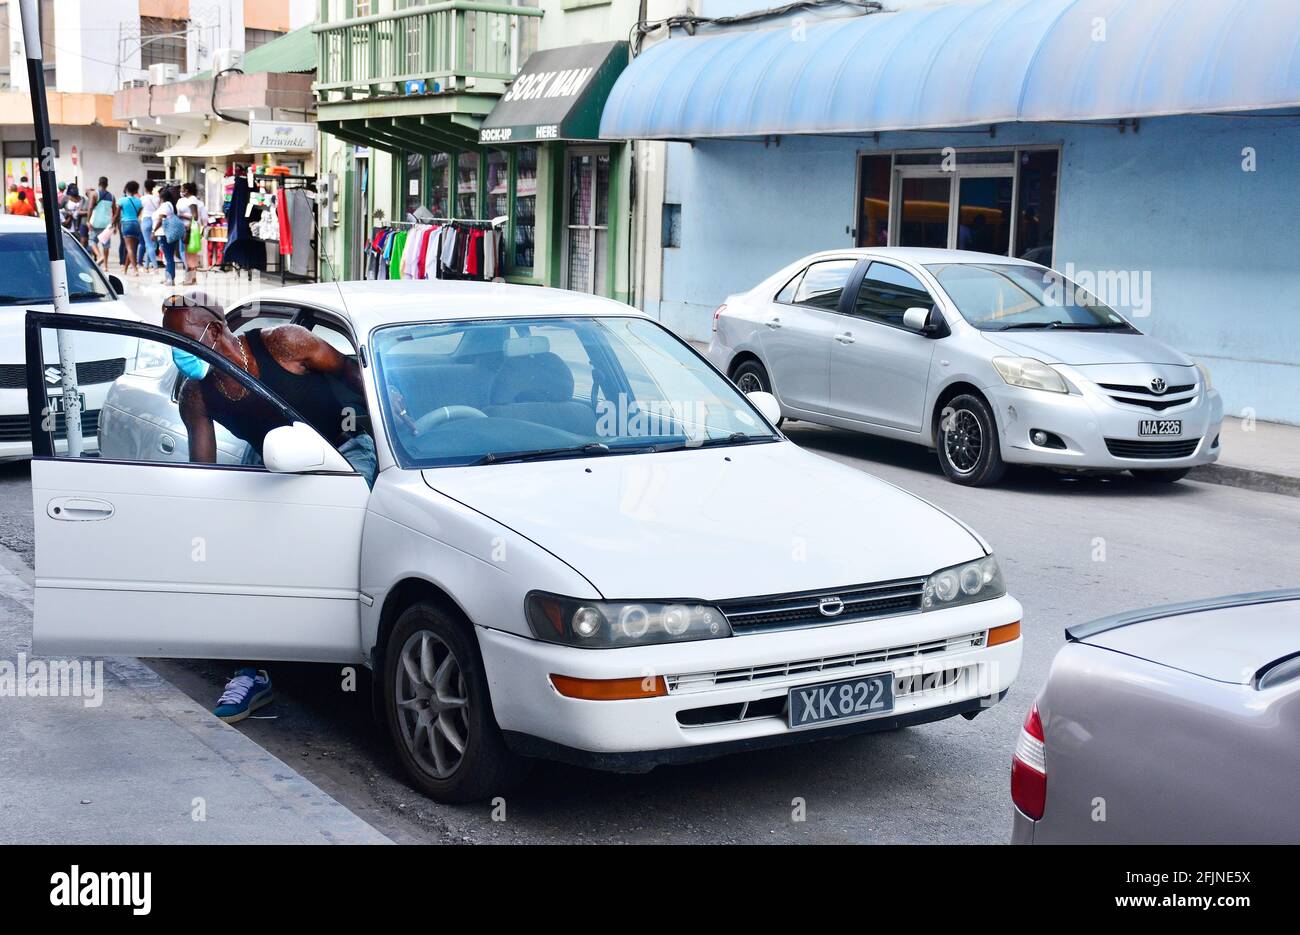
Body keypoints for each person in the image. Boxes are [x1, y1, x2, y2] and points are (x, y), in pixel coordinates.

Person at [160, 290, 377, 721]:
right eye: (171, 343)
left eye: (185, 339)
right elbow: (204, 476)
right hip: (271, 458)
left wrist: (397, 425)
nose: (179, 352)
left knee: (343, 539)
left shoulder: (283, 343)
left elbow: (354, 373)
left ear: (217, 330)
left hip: (346, 449)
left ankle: (358, 649)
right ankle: (251, 671)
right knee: (248, 557)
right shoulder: (197, 395)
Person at [152, 185, 182, 285]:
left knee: (169, 257)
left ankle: (170, 279)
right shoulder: (170, 205)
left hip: (163, 234)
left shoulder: (165, 205)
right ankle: (168, 277)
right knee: (168, 256)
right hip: (166, 234)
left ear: (162, 197)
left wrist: (153, 231)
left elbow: (161, 219)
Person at [178, 182, 207, 285]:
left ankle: (191, 279)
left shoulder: (192, 200)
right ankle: (191, 278)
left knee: (190, 255)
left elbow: (195, 216)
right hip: (192, 229)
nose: (181, 192)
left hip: (190, 229)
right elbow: (204, 219)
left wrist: (182, 216)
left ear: (186, 190)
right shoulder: (196, 201)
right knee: (190, 254)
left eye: (182, 189)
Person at [86, 177, 116, 268]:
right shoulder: (112, 196)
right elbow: (114, 210)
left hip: (95, 222)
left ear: (99, 183)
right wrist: (114, 224)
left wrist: (88, 221)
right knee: (105, 244)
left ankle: (99, 256)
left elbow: (90, 208)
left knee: (92, 241)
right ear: (107, 184)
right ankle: (106, 266)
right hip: (107, 223)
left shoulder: (95, 194)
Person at [118, 181, 143, 276]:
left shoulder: (122, 200)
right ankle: (125, 269)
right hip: (136, 224)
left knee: (129, 248)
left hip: (126, 223)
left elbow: (117, 214)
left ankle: (135, 268)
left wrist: (113, 223)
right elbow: (138, 213)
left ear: (126, 189)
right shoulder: (139, 201)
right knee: (132, 248)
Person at [138, 180, 160, 271]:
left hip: (146, 220)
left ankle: (155, 267)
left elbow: (139, 211)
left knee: (148, 244)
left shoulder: (142, 198)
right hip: (155, 220)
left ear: (145, 187)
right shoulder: (157, 198)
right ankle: (146, 265)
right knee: (152, 244)